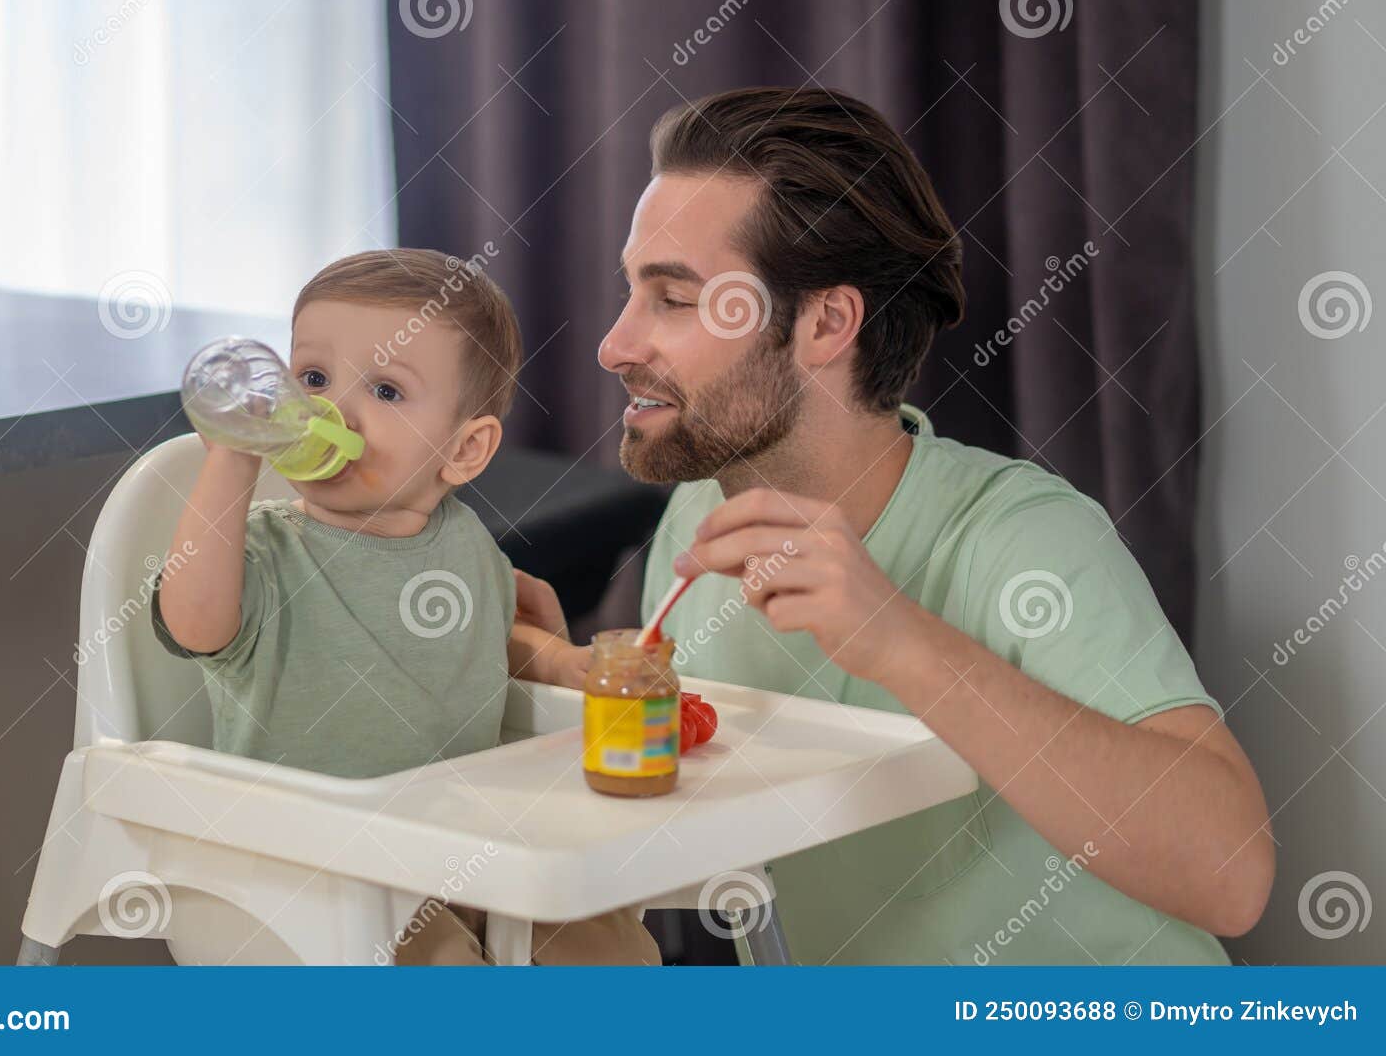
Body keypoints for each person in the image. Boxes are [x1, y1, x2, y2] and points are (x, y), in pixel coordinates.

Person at [522, 86, 1274, 964]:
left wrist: (899, 642)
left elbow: (1234, 875)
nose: (614, 344)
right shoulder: (703, 522)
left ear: (828, 322)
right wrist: (546, 686)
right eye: (631, 292)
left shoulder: (1023, 535)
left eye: (674, 299)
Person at [152, 248, 659, 966]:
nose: (330, 408)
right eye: (313, 378)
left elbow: (483, 637)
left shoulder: (468, 545)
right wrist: (232, 459)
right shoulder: (265, 552)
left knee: (608, 942)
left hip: (456, 843)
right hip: (308, 867)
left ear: (464, 450)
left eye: (385, 390)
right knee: (442, 963)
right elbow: (195, 623)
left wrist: (565, 660)